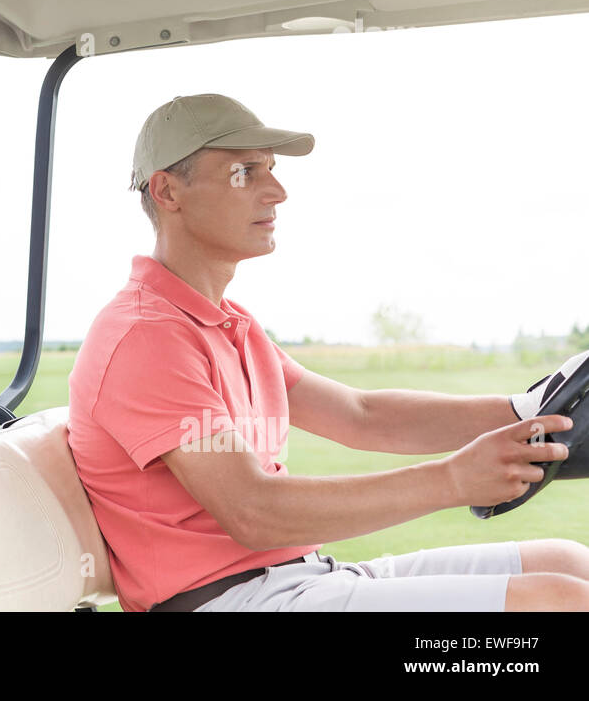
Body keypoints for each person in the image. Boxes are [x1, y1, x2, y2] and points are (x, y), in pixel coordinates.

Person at [66, 93, 589, 612]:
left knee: (568, 563)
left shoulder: (230, 325)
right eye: (245, 172)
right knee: (555, 602)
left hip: (298, 578)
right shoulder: (145, 337)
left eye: (270, 169)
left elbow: (361, 416)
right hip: (229, 601)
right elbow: (253, 511)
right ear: (167, 191)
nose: (277, 191)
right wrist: (452, 480)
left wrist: (527, 410)